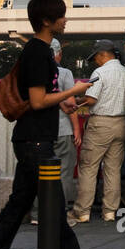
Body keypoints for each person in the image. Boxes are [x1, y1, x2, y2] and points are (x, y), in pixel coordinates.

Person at [0, 0, 98, 249]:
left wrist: (63, 100)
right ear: (46, 21)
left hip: (32, 138)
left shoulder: (37, 51)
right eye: (61, 16)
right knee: (52, 205)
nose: (66, 20)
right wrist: (74, 91)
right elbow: (38, 101)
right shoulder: (39, 52)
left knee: (20, 204)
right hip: (36, 141)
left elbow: (42, 97)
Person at [69, 40, 125, 224]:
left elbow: (91, 99)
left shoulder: (100, 73)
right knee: (113, 170)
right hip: (120, 122)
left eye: (96, 57)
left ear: (103, 54)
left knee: (89, 167)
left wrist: (75, 99)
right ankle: (110, 212)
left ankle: (82, 212)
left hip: (100, 124)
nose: (95, 61)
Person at [52, 39, 79, 206]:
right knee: (64, 171)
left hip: (39, 132)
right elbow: (71, 102)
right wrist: (76, 129)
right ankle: (58, 210)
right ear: (59, 54)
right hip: (62, 129)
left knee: (40, 172)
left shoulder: (31, 72)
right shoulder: (64, 73)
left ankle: (36, 213)